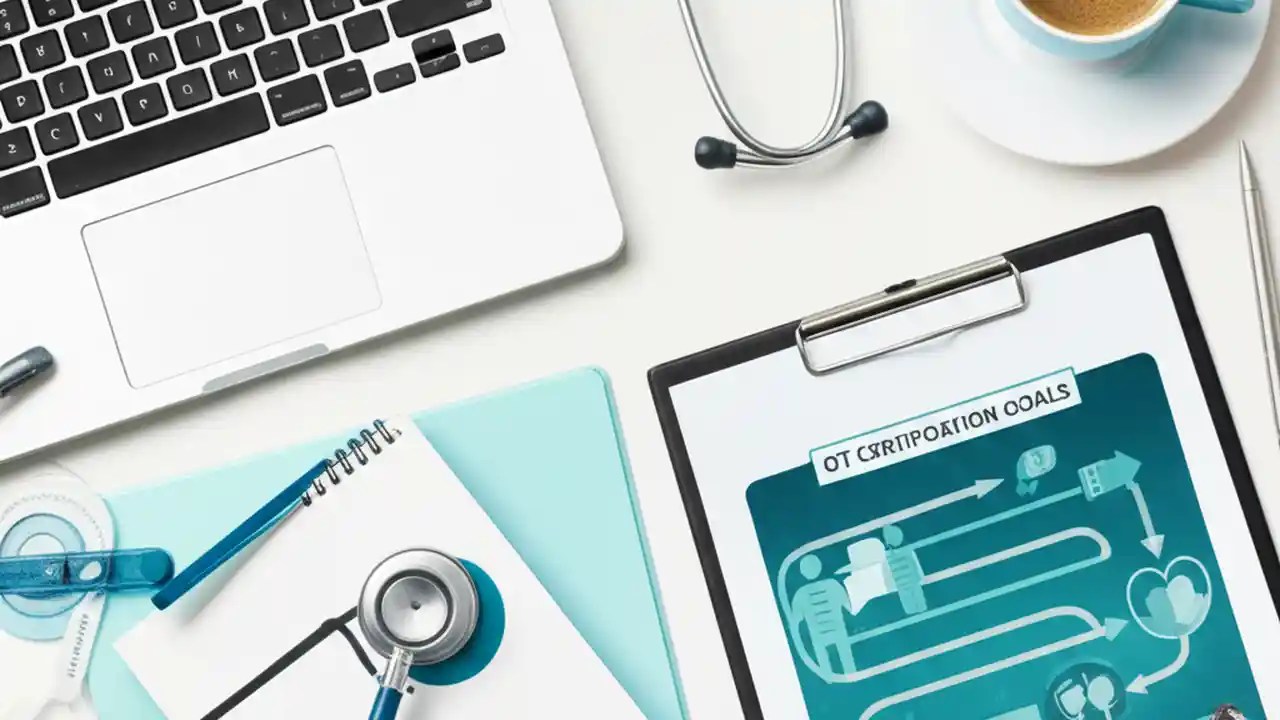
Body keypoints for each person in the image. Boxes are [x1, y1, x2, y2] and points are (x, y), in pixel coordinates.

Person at [789, 554, 856, 677]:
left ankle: (829, 678)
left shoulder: (800, 594)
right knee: (844, 651)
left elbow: (795, 620)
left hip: (818, 635)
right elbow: (847, 605)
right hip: (838, 630)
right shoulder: (833, 585)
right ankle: (850, 673)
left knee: (822, 655)